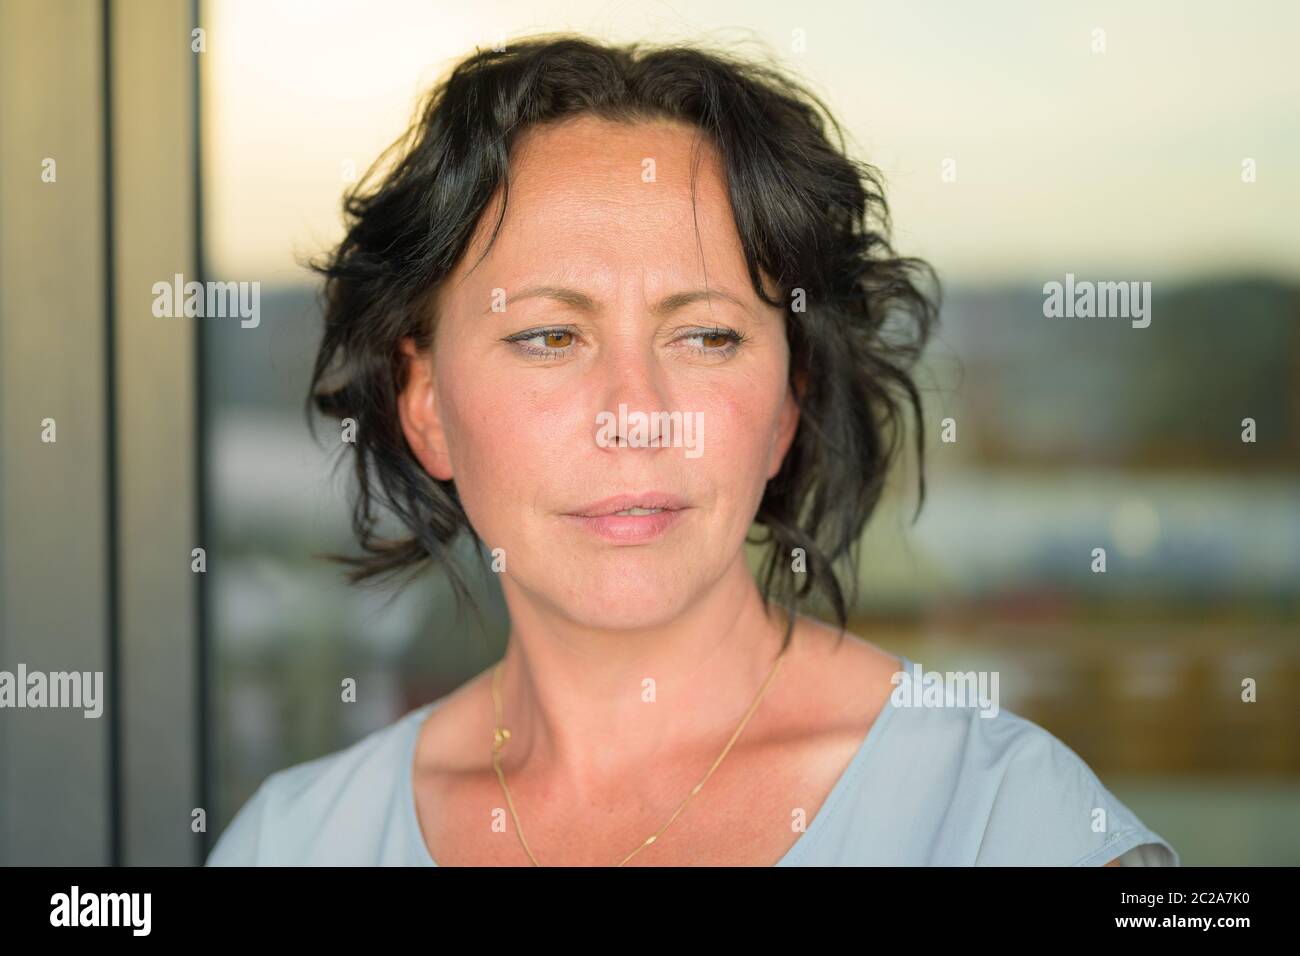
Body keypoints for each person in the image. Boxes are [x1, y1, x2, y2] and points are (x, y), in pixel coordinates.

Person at [207, 35, 1177, 866]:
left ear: (788, 401)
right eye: (549, 336)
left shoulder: (1012, 825)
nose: (636, 413)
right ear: (425, 403)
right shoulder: (295, 841)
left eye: (707, 335)